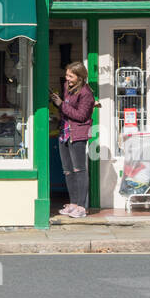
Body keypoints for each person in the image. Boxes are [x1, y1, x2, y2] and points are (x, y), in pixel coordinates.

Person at [50, 62, 95, 219]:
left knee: (79, 170)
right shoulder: (67, 87)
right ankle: (73, 203)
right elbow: (66, 110)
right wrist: (58, 103)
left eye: (71, 76)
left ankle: (81, 206)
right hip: (64, 132)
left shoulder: (87, 93)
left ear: (80, 77)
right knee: (68, 170)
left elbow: (81, 116)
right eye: (67, 75)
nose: (67, 78)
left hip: (78, 134)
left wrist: (61, 104)